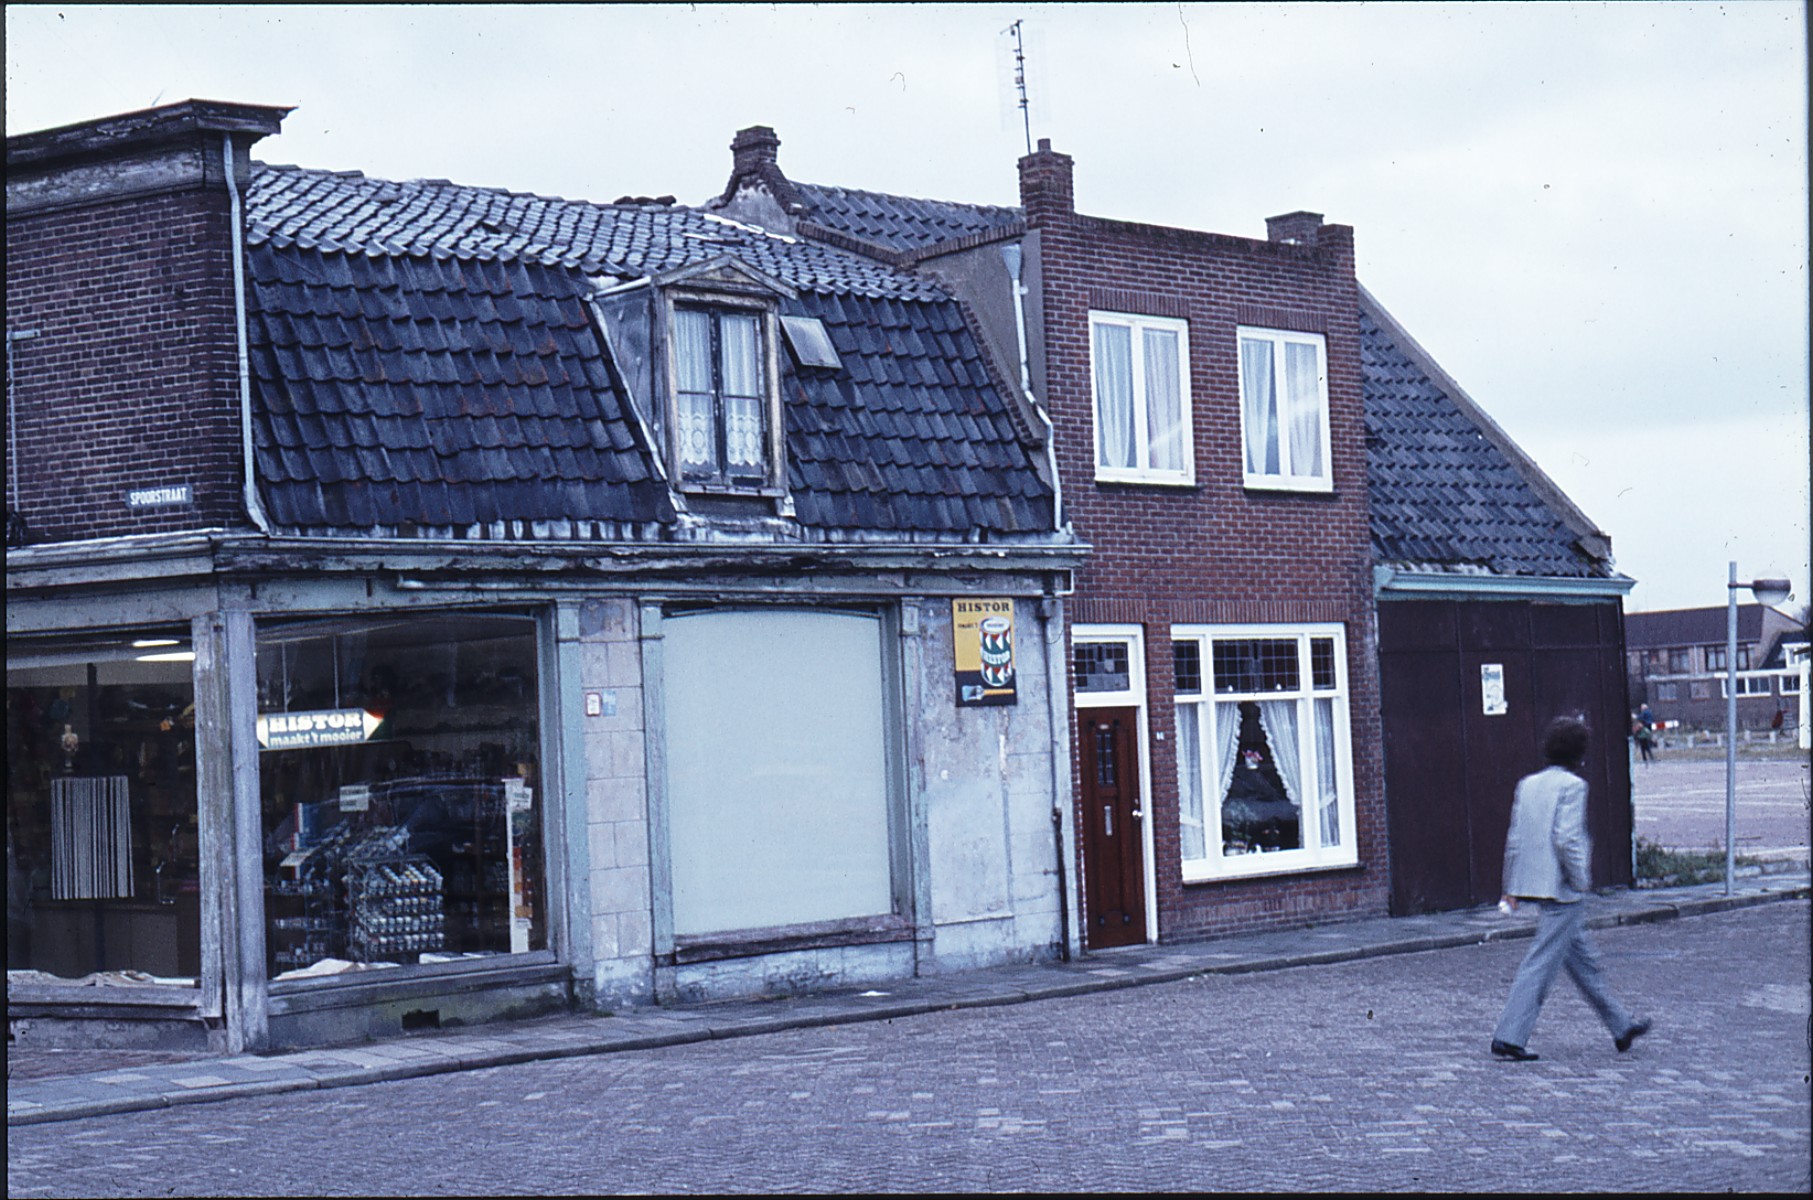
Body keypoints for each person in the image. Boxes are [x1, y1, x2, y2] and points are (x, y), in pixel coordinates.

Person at [1490, 716, 1652, 1062]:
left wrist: (1510, 887)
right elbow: (1566, 838)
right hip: (1562, 887)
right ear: (1579, 753)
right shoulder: (1573, 787)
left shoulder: (1528, 784)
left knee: (1584, 962)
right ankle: (1509, 1035)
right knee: (1541, 962)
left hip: (1534, 883)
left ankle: (1621, 1027)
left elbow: (1515, 839)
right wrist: (1581, 879)